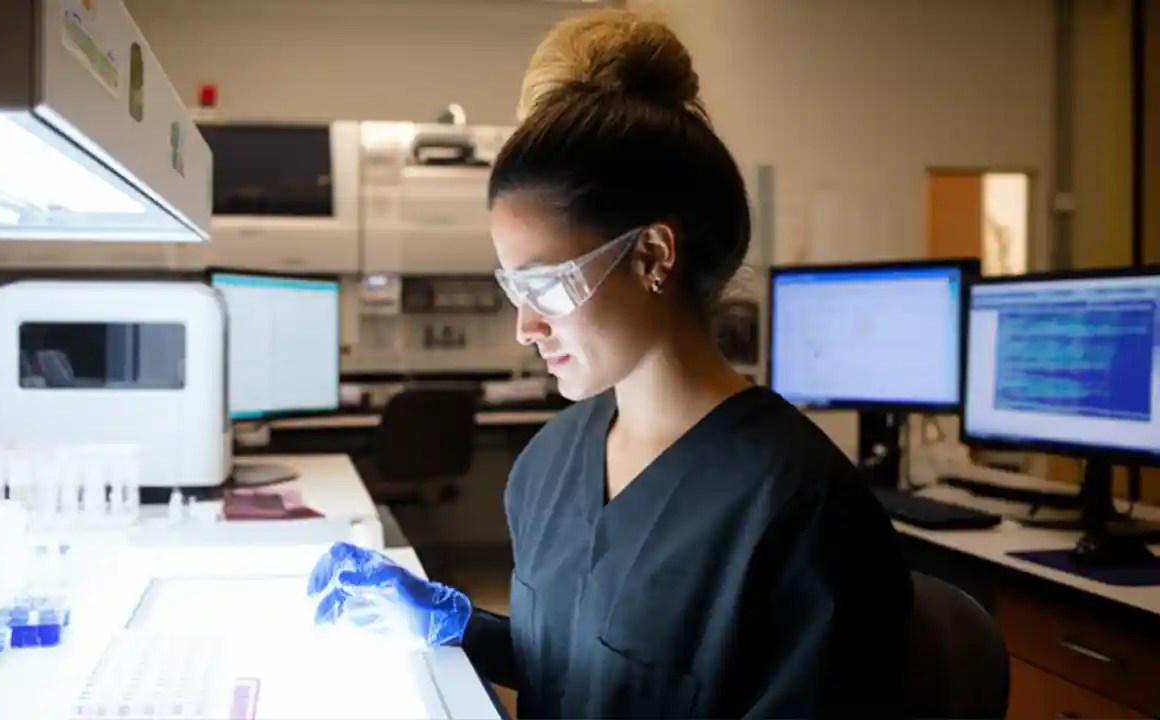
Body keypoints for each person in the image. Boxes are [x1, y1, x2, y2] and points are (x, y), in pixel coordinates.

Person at [308, 9, 912, 718]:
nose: (524, 327)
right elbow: (578, 669)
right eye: (513, 287)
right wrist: (462, 628)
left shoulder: (801, 514)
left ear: (653, 255)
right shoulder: (546, 465)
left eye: (545, 286)